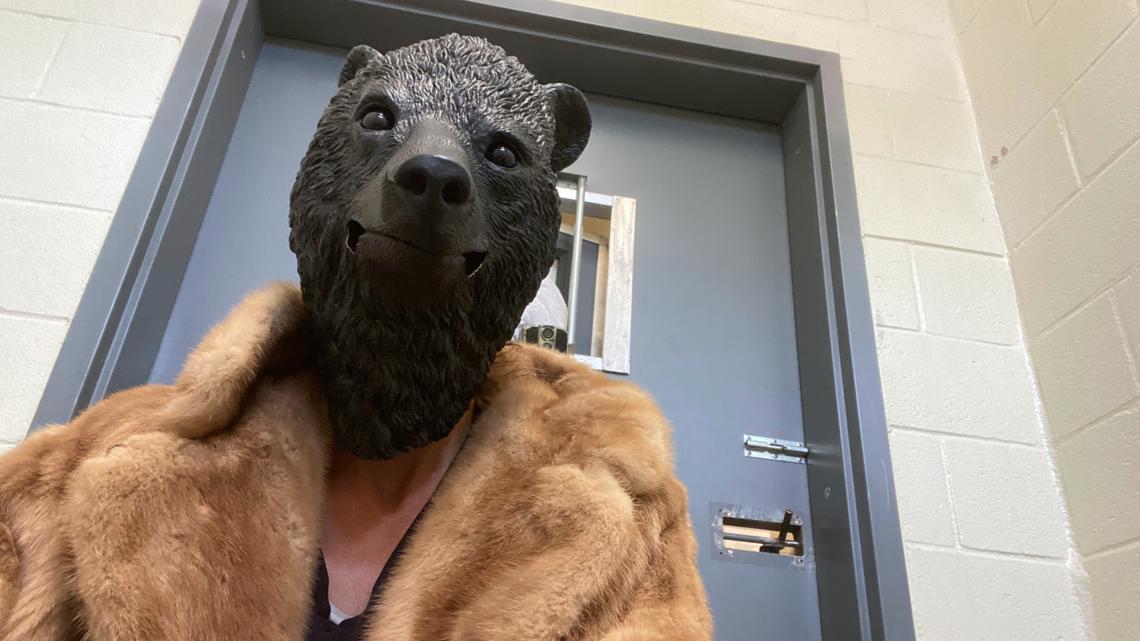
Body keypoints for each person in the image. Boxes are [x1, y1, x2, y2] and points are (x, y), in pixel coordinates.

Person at [0, 34, 711, 641]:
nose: (433, 167)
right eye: (380, 119)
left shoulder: (622, 517)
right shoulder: (108, 460)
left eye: (499, 153)